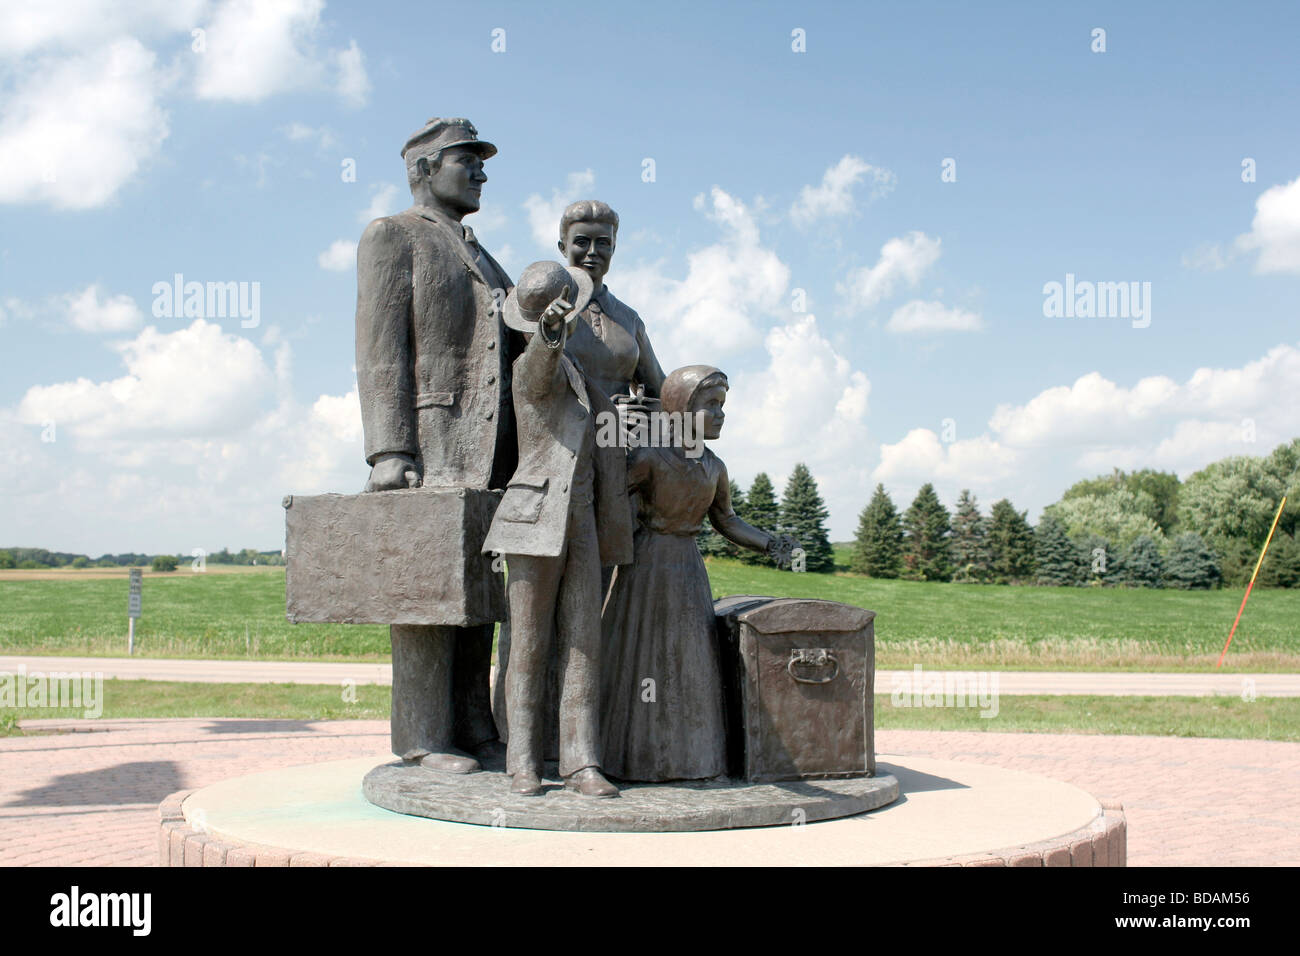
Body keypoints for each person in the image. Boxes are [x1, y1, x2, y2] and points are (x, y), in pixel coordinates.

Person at [354, 117, 519, 774]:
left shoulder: (482, 254)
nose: (480, 171)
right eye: (466, 159)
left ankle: (473, 726)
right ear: (423, 167)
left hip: (493, 450)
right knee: (424, 590)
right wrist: (389, 450)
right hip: (432, 442)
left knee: (475, 592)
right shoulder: (392, 236)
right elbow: (379, 347)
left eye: (482, 160)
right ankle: (422, 737)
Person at [599, 366, 796, 782]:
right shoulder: (650, 457)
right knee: (644, 660)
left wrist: (770, 544)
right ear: (679, 408)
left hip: (688, 571)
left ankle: (693, 760)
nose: (720, 414)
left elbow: (728, 521)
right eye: (711, 405)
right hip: (646, 569)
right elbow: (609, 495)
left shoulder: (714, 467)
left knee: (689, 663)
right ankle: (634, 758)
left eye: (722, 406)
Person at [483, 261, 634, 798]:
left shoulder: (583, 375)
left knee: (582, 644)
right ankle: (521, 761)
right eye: (559, 310)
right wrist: (547, 335)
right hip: (533, 525)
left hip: (582, 523)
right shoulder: (533, 365)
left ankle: (581, 763)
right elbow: (539, 370)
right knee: (526, 644)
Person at [556, 200, 665, 402]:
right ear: (563, 248)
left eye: (603, 243)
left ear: (613, 248)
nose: (592, 252)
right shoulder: (544, 310)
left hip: (618, 430)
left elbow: (658, 390)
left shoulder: (629, 319)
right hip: (562, 430)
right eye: (582, 242)